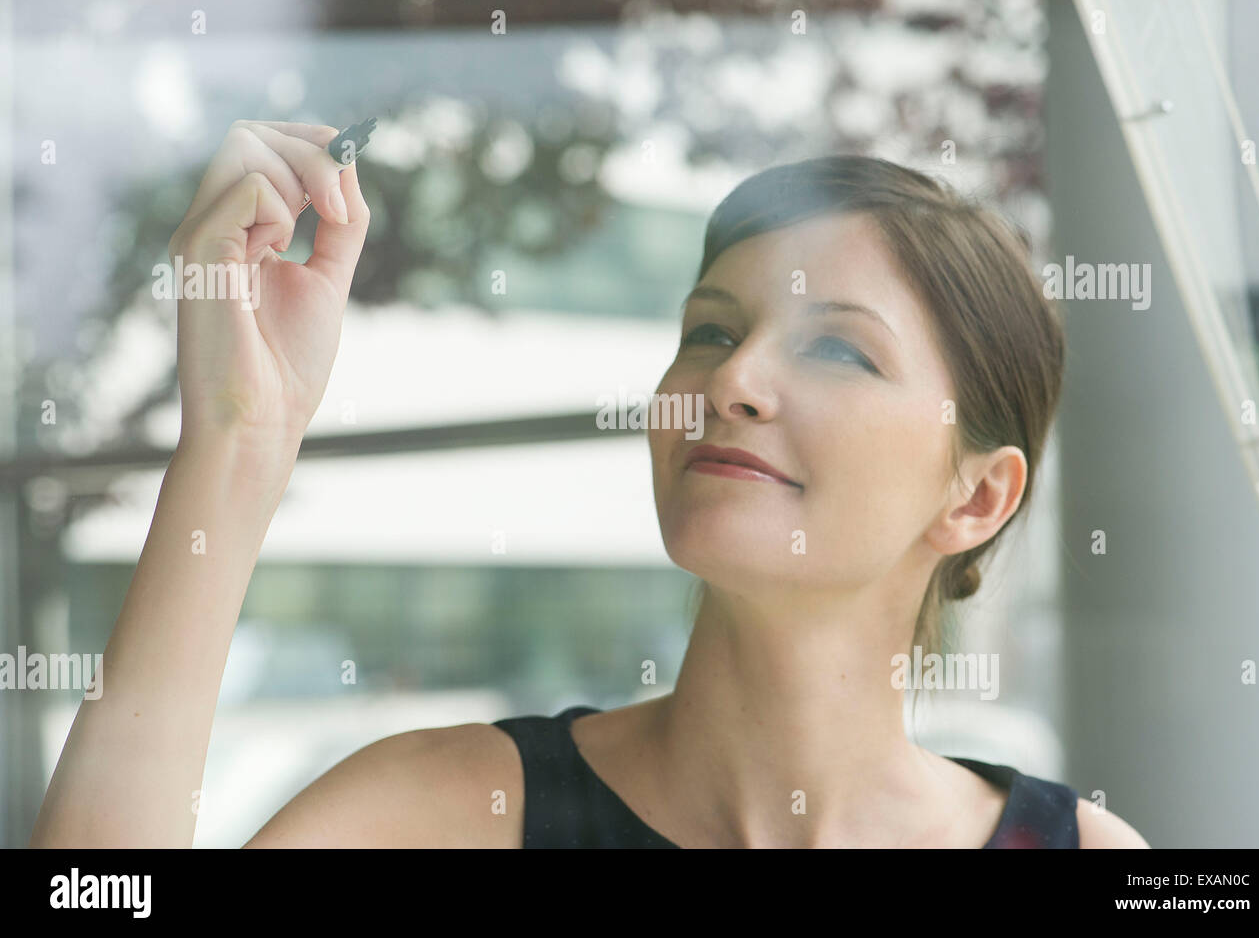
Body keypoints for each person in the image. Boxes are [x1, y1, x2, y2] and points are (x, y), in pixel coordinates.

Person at [29, 122, 1148, 848]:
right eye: (711, 330)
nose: (733, 380)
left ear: (977, 498)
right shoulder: (449, 816)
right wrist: (236, 438)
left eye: (838, 350)